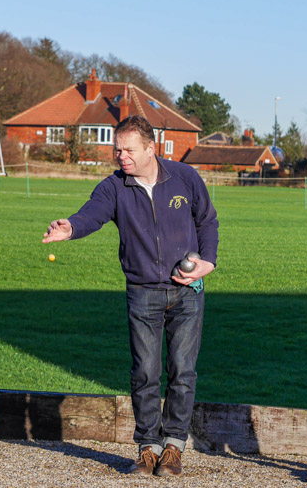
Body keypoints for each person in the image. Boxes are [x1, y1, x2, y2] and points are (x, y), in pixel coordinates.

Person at [42, 115, 218, 476]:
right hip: (142, 292)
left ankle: (174, 447)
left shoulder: (185, 177)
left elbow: (207, 221)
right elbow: (91, 215)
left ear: (151, 148)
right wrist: (71, 227)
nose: (121, 156)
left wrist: (208, 263)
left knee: (182, 371)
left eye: (128, 150)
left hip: (187, 291)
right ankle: (148, 447)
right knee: (144, 373)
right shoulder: (113, 187)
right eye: (117, 149)